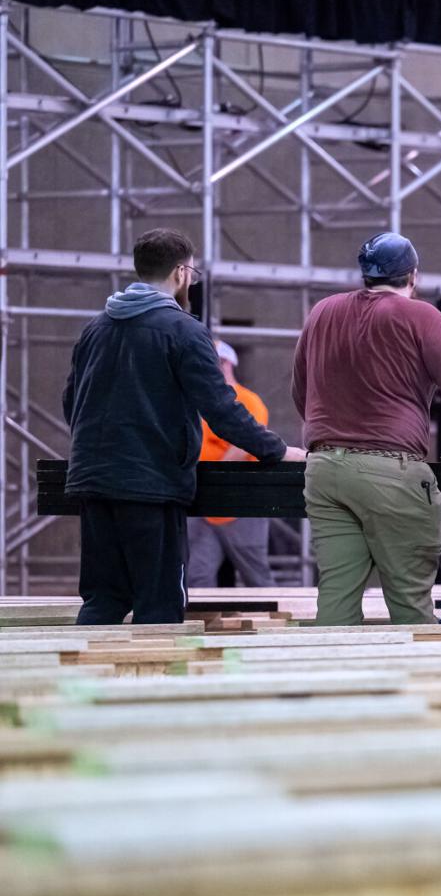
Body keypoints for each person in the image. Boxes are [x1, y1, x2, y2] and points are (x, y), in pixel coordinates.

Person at [63, 228, 302, 625]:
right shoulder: (184, 331)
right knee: (159, 604)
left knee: (103, 600)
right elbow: (221, 408)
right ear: (180, 273)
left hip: (92, 481)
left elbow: (73, 404)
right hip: (150, 487)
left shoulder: (95, 329)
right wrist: (276, 450)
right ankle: (157, 687)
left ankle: (87, 685)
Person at [291, 231, 441, 626]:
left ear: (365, 275)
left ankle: (332, 683)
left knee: (336, 602)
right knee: (410, 607)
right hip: (390, 474)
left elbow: (301, 392)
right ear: (413, 277)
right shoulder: (421, 317)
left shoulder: (322, 312)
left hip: (323, 472)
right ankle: (419, 686)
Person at [187, 341, 275, 588]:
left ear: (224, 363)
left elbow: (246, 444)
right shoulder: (200, 403)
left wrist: (212, 479)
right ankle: (203, 625)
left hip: (239, 504)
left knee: (256, 575)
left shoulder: (248, 400)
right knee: (198, 576)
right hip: (203, 505)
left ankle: (273, 627)